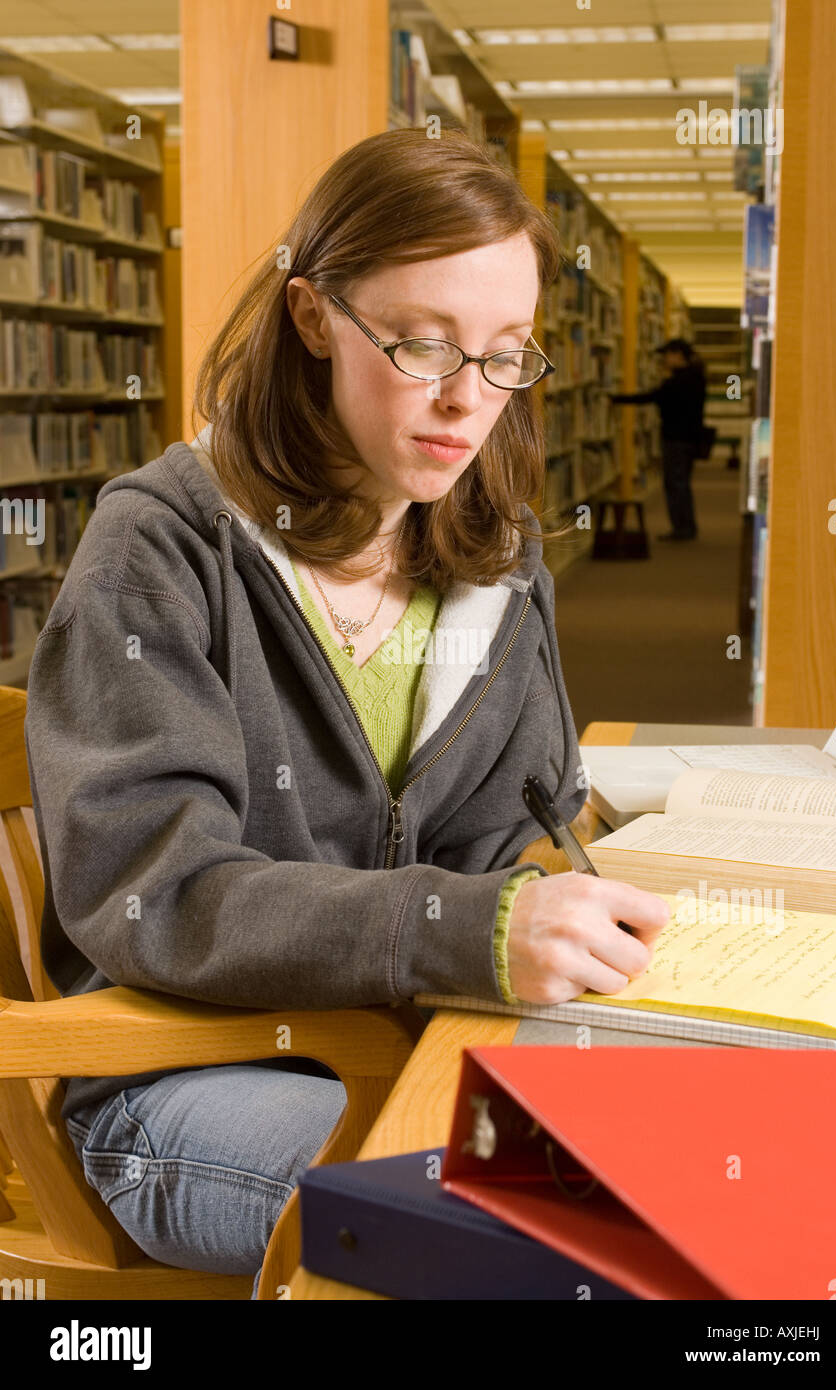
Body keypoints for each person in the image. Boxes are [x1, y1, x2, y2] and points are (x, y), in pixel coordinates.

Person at [23, 128, 671, 1297]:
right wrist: (462, 928)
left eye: (508, 354)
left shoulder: (497, 557)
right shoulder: (162, 545)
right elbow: (156, 891)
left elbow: (507, 841)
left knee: (711, 1175)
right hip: (183, 1076)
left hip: (411, 1037)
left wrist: (572, 917)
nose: (469, 402)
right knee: (557, 1246)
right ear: (313, 315)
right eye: (422, 343)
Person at [610, 338, 707, 541]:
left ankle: (682, 529)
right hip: (689, 439)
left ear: (678, 355)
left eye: (667, 355)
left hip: (675, 439)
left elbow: (653, 397)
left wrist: (618, 399)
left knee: (675, 484)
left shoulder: (679, 381)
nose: (664, 359)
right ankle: (687, 526)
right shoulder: (696, 377)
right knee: (682, 483)